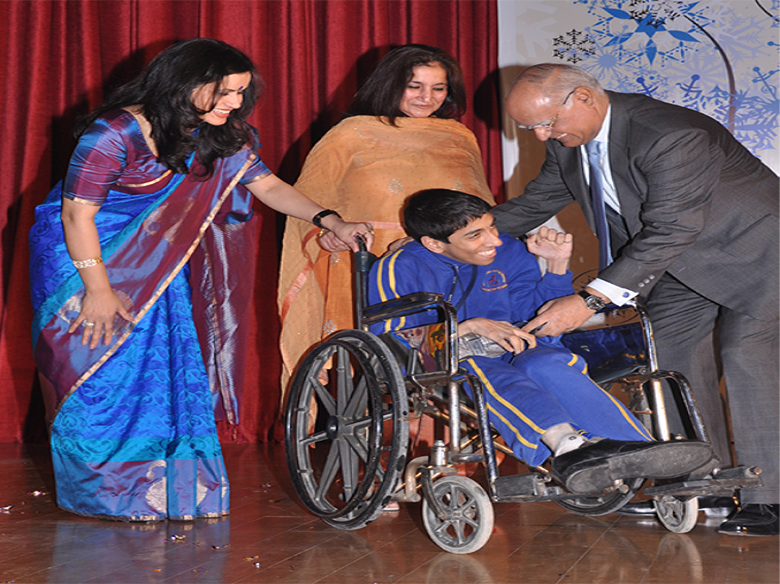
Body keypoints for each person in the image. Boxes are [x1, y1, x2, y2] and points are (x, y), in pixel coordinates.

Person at [28, 38, 373, 522]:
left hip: (153, 261)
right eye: (225, 93)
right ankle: (103, 492)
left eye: (241, 94)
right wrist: (99, 290)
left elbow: (267, 185)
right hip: (81, 259)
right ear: (184, 84)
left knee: (156, 372)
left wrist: (330, 220)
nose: (234, 104)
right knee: (99, 371)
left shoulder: (219, 134)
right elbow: (75, 214)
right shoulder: (116, 131)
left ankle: (162, 490)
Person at [491, 63, 779, 535]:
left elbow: (672, 228)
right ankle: (701, 483)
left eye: (548, 123)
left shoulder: (669, 134)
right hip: (679, 265)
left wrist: (587, 301)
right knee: (670, 360)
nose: (542, 135)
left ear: (583, 98)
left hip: (757, 252)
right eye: (530, 128)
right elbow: (531, 205)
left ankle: (770, 497)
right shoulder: (569, 144)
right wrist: (448, 236)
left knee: (747, 356)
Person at [368, 189, 716, 495]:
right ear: (433, 243)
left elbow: (543, 321)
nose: (493, 240)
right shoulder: (399, 267)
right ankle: (567, 448)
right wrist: (470, 327)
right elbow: (395, 337)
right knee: (485, 370)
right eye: (475, 235)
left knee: (545, 362)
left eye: (491, 226)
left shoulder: (509, 253)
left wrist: (556, 267)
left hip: (521, 345)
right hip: (449, 360)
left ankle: (642, 450)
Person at [277, 44, 495, 393]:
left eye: (439, 88)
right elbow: (309, 200)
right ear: (391, 84)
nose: (428, 97)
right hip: (366, 264)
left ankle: (442, 437)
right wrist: (326, 235)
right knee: (376, 364)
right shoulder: (350, 133)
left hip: (444, 264)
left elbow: (479, 207)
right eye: (415, 86)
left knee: (447, 357)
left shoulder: (460, 136)